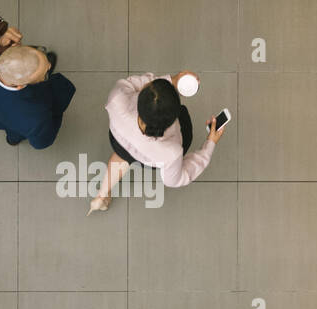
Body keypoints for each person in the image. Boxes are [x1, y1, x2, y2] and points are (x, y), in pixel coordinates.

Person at [88, 70, 228, 214]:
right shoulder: (171, 153)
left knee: (123, 154)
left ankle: (101, 196)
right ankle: (102, 195)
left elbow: (132, 83)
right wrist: (210, 143)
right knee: (132, 153)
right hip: (150, 157)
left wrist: (171, 80)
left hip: (119, 139)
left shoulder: (117, 100)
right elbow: (177, 179)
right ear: (175, 116)